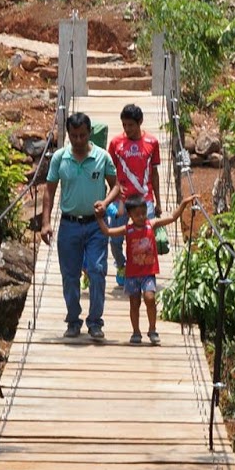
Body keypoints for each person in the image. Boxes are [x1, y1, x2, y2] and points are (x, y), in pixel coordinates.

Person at [40, 112, 117, 340]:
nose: (79, 140)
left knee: (96, 270)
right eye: (74, 136)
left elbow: (116, 186)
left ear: (89, 133)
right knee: (70, 275)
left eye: (83, 135)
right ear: (68, 135)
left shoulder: (103, 157)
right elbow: (49, 190)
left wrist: (105, 202)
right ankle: (73, 320)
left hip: (96, 225)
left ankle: (95, 322)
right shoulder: (59, 158)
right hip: (69, 224)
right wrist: (45, 222)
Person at [94, 193, 195, 345]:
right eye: (137, 215)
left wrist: (183, 203)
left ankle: (152, 329)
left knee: (150, 298)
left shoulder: (151, 224)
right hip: (132, 274)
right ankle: (136, 332)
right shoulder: (127, 229)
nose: (141, 217)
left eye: (143, 213)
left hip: (148, 273)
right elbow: (108, 232)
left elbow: (172, 218)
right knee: (134, 303)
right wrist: (99, 218)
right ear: (130, 215)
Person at [103, 103, 162, 287]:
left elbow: (154, 173)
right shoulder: (115, 143)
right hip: (123, 200)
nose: (127, 129)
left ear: (140, 122)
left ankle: (144, 273)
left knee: (146, 237)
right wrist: (111, 192)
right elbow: (108, 170)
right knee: (115, 240)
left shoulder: (152, 143)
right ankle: (122, 265)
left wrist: (159, 202)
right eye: (124, 125)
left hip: (145, 199)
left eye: (131, 125)